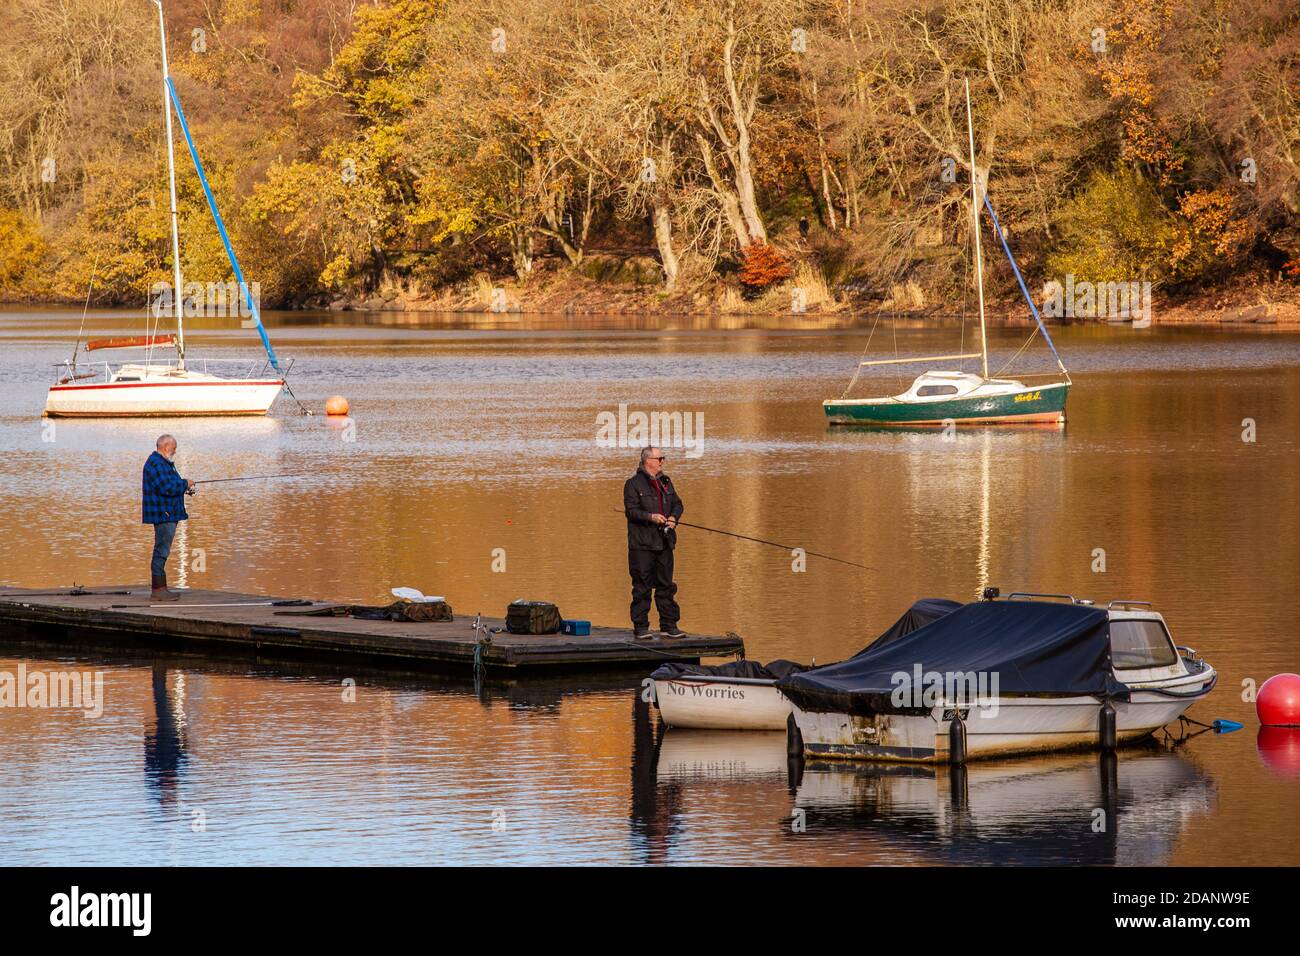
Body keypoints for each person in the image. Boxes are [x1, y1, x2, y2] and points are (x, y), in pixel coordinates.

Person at [623, 446, 684, 638]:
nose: (662, 462)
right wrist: (651, 517)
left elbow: (678, 504)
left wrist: (673, 518)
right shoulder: (633, 484)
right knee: (642, 586)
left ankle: (669, 626)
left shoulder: (666, 481)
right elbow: (631, 512)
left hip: (664, 542)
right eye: (660, 458)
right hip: (642, 545)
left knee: (666, 585)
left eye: (662, 458)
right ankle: (641, 627)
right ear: (647, 460)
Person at [142, 434, 194, 601]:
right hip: (164, 514)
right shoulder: (156, 463)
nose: (175, 451)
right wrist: (185, 483)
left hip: (168, 513)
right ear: (166, 447)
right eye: (174, 448)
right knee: (161, 551)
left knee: (162, 550)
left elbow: (171, 485)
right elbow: (167, 487)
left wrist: (184, 487)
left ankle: (161, 589)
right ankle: (158, 591)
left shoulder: (163, 463)